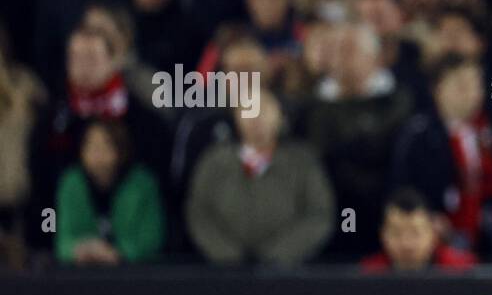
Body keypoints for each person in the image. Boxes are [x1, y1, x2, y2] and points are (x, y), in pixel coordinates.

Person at [186, 90, 334, 265]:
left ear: (279, 116)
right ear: (236, 117)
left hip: (289, 273)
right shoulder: (214, 161)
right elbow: (198, 212)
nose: (256, 118)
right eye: (248, 110)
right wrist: (227, 256)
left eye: (263, 110)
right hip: (224, 274)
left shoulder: (303, 162)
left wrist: (278, 255)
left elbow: (318, 213)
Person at [55, 118, 164, 264]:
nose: (97, 155)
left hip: (134, 273)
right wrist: (82, 249)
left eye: (105, 146)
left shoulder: (142, 183)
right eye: (90, 146)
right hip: (82, 272)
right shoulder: (71, 183)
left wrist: (116, 252)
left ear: (121, 149)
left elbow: (152, 239)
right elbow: (63, 241)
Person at [360, 188, 476, 272]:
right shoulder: (367, 274)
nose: (406, 244)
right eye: (397, 233)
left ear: (433, 233)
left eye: (415, 233)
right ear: (383, 235)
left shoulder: (462, 271)